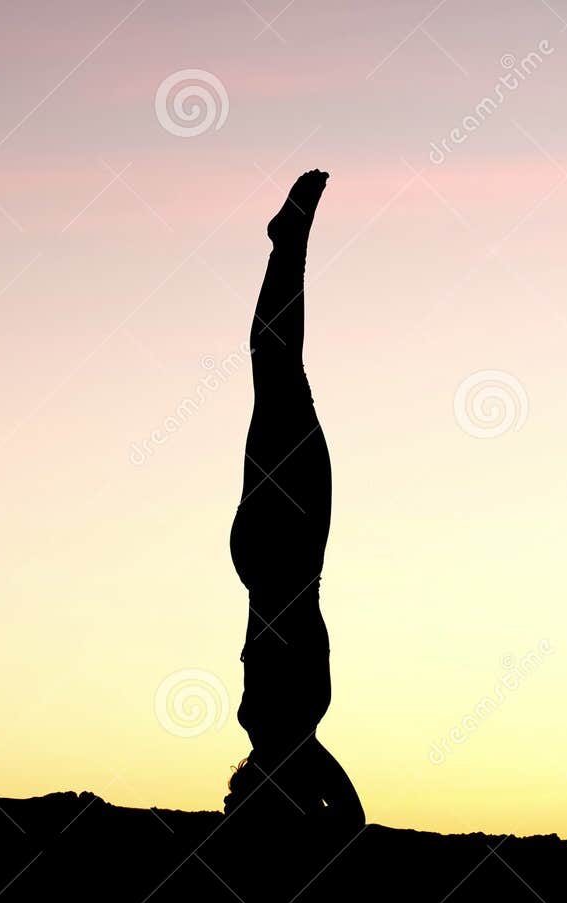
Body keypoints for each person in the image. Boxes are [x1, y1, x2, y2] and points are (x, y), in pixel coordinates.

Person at [223, 170, 364, 830]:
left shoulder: (291, 728)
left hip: (288, 547)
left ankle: (290, 245)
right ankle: (289, 245)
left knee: (276, 366)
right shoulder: (270, 727)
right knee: (274, 368)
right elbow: (350, 819)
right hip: (271, 554)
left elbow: (353, 820)